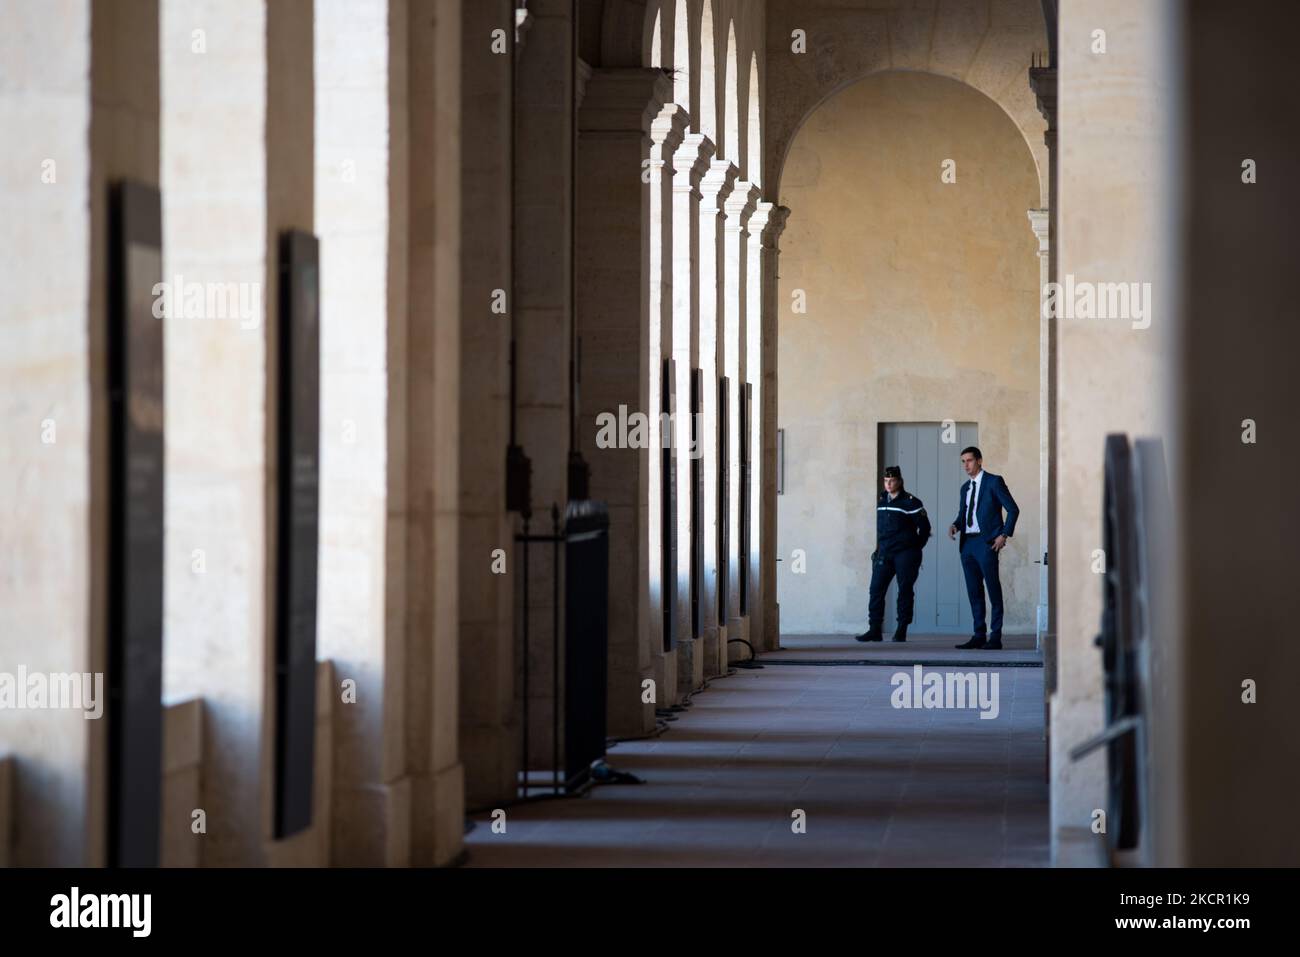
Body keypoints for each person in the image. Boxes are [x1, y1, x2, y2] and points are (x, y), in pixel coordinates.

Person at [947, 446, 1019, 650]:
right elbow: (964, 515)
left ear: (979, 460)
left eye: (969, 460)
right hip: (967, 544)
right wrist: (955, 525)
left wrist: (1003, 535)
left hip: (987, 543)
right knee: (974, 591)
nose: (966, 465)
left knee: (993, 589)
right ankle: (979, 634)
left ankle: (995, 637)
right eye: (963, 461)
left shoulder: (994, 482)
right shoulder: (965, 488)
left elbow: (1013, 509)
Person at [856, 465, 931, 643]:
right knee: (876, 590)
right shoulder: (883, 500)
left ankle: (901, 629)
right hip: (885, 553)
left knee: (904, 590)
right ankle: (874, 629)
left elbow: (925, 528)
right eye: (886, 481)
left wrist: (915, 548)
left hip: (905, 554)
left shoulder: (911, 502)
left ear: (899, 481)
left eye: (892, 481)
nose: (888, 484)